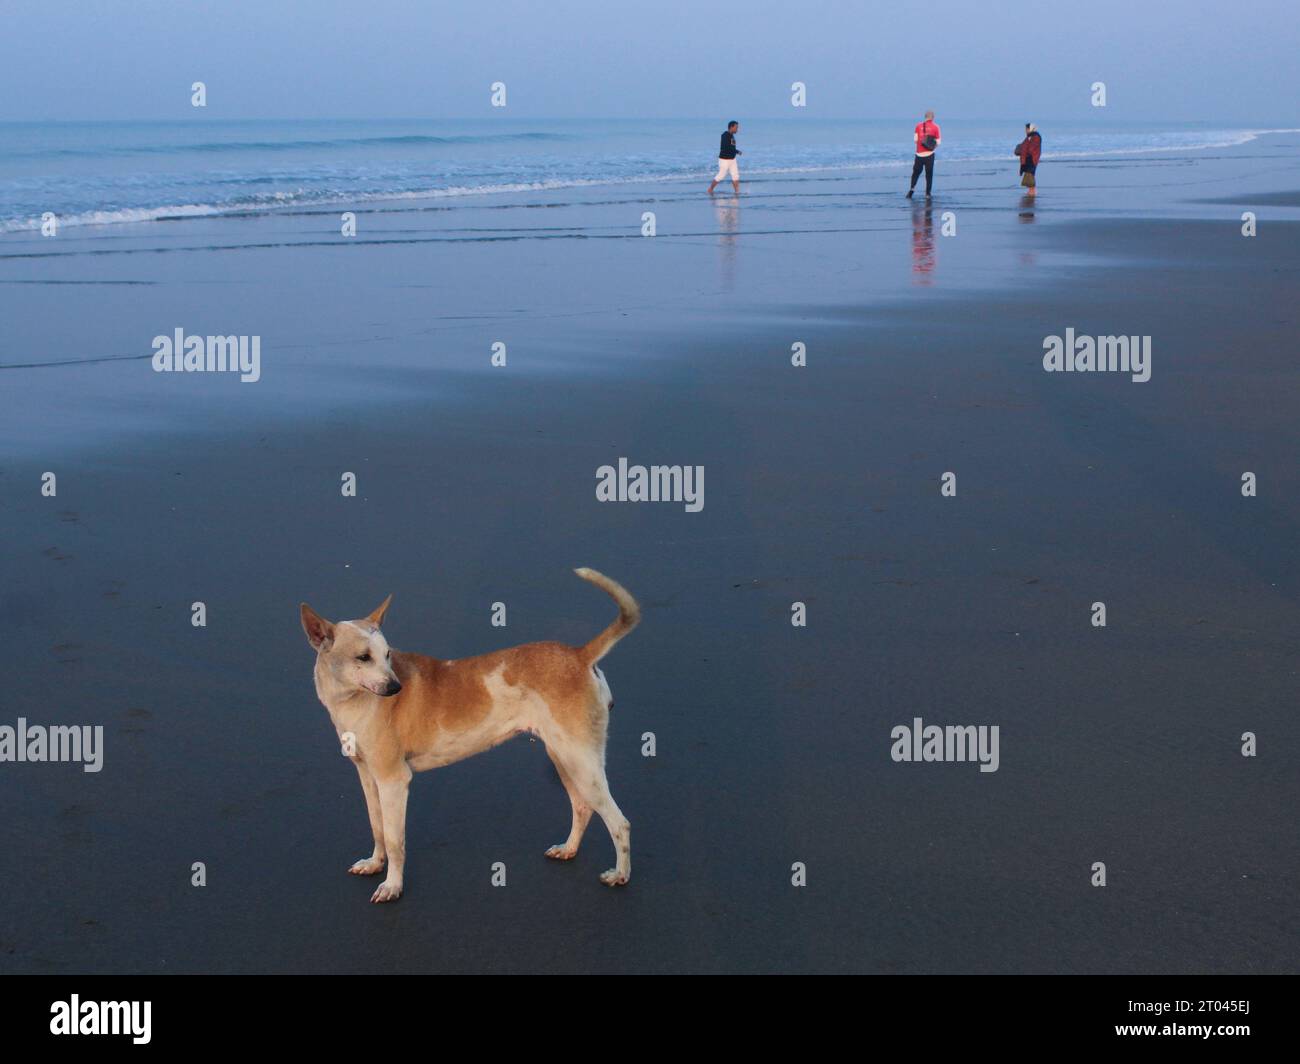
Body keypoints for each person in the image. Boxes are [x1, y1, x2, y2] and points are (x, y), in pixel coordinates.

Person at [907, 110, 941, 199]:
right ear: (933, 118)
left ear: (925, 117)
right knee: (929, 174)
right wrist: (931, 147)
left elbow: (915, 140)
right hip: (930, 154)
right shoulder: (936, 127)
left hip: (919, 155)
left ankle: (911, 189)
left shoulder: (918, 126)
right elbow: (938, 142)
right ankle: (927, 194)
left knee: (916, 173)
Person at [708, 121, 742, 194]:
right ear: (731, 127)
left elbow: (731, 147)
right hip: (724, 160)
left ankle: (737, 192)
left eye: (737, 127)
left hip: (732, 159)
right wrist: (735, 151)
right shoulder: (725, 135)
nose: (737, 129)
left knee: (735, 176)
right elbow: (725, 147)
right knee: (721, 175)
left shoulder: (732, 136)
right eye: (736, 127)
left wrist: (737, 151)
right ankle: (710, 189)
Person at [1014, 123, 1042, 196]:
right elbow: (1024, 145)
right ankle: (1031, 191)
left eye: (1027, 129)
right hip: (1027, 158)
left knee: (1030, 175)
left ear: (1031, 129)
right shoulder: (1029, 137)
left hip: (1032, 158)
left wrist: (1023, 150)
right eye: (1026, 129)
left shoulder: (1036, 137)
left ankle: (1033, 191)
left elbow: (1031, 148)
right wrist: (1020, 149)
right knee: (1028, 175)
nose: (1026, 130)